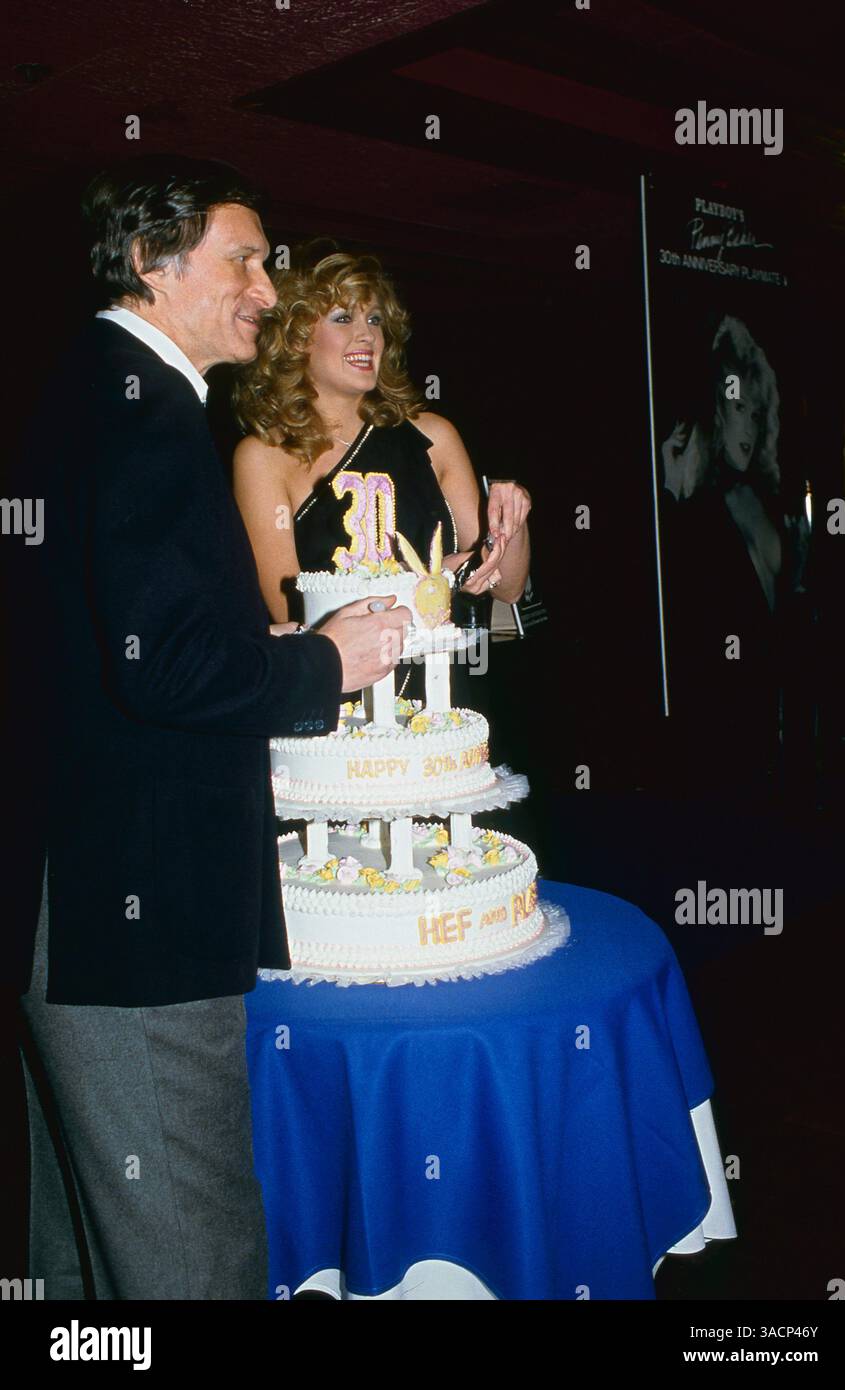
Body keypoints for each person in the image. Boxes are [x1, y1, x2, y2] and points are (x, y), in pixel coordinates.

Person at [13, 157, 409, 1300]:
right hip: (130, 906)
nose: (267, 290)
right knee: (193, 1247)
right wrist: (326, 660)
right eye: (242, 259)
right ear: (152, 263)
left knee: (87, 1245)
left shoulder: (86, 387)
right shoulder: (140, 408)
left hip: (74, 895)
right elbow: (165, 662)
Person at [231, 248, 532, 649]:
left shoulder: (433, 437)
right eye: (343, 318)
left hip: (442, 689)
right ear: (296, 339)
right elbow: (297, 616)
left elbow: (507, 588)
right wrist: (433, 578)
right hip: (339, 689)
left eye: (374, 319)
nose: (367, 334)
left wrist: (511, 518)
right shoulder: (263, 457)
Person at [659, 314, 809, 789]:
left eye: (755, 410)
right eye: (737, 406)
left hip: (777, 714)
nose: (748, 422)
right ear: (717, 411)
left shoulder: (764, 500)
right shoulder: (697, 512)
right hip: (720, 723)